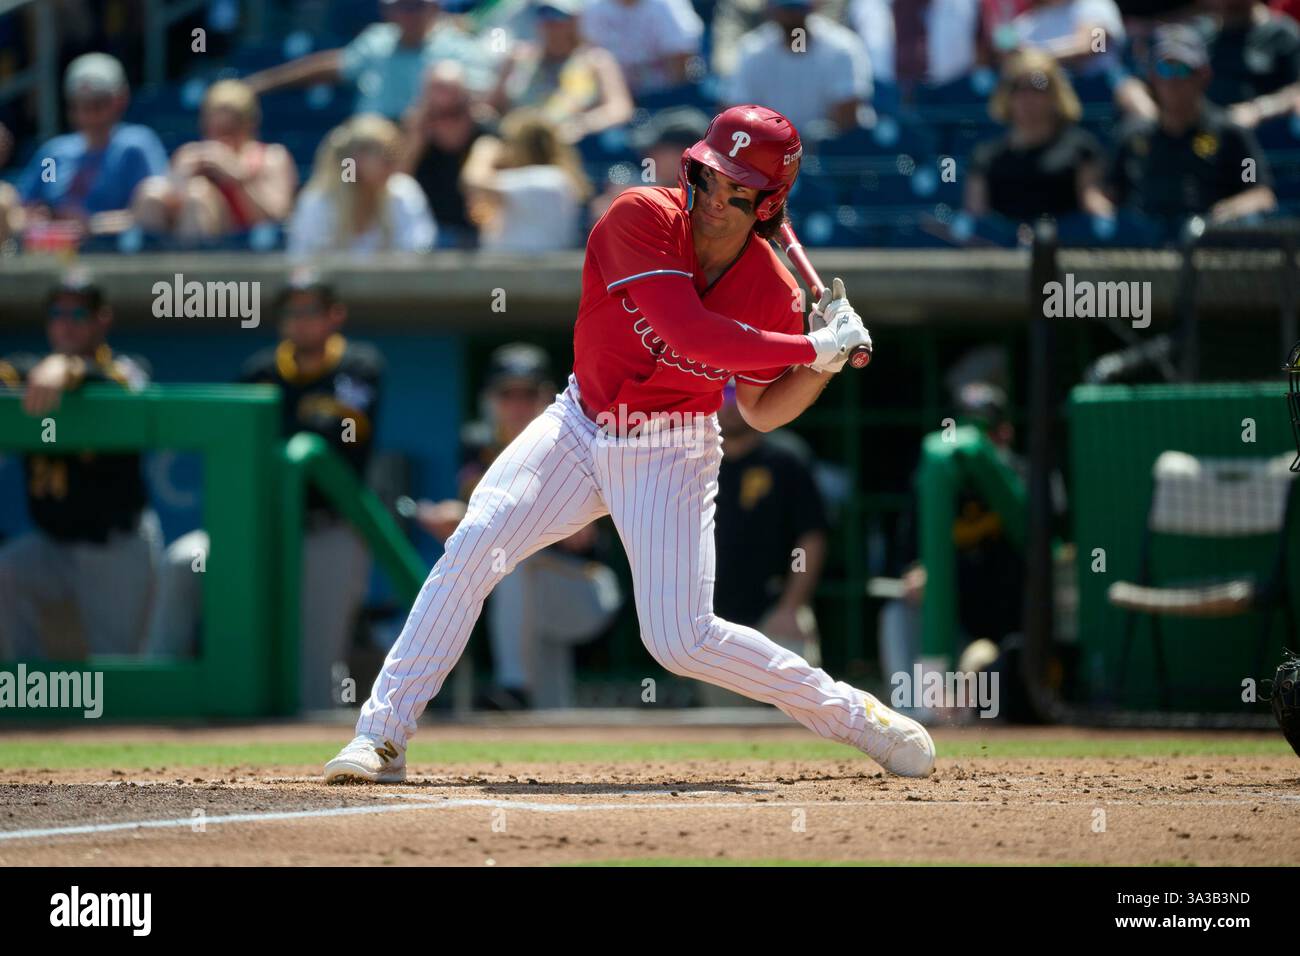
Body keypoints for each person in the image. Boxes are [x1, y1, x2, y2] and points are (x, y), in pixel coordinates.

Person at [324, 104, 934, 784]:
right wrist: (815, 342)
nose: (714, 201)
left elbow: (762, 411)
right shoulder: (638, 215)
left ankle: (858, 718)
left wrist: (818, 368)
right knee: (475, 543)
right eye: (707, 178)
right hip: (581, 421)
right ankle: (381, 736)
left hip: (673, 448)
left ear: (768, 204)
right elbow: (688, 333)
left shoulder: (771, 290)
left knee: (680, 640)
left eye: (737, 193)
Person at [149, 269, 384, 712]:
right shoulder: (258, 372)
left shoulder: (358, 367)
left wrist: (306, 429)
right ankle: (154, 703)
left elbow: (348, 437)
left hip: (327, 528)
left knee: (314, 670)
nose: (299, 320)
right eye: (291, 311)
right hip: (262, 530)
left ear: (335, 315)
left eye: (310, 310)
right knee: (184, 561)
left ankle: (315, 764)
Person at [407, 344, 622, 709]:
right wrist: (456, 519)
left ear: (548, 398)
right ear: (490, 399)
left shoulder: (573, 438)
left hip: (587, 589)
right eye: (507, 394)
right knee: (550, 705)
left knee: (509, 559)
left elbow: (579, 535)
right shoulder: (478, 445)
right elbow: (490, 512)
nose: (518, 406)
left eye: (528, 394)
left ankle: (512, 685)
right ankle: (534, 715)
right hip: (534, 596)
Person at [0, 271, 161, 659]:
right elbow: (11, 375)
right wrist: (50, 369)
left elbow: (123, 385)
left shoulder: (127, 368)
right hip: (51, 545)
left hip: (115, 545)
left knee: (118, 671)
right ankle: (21, 699)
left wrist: (69, 368)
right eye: (57, 313)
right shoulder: (30, 372)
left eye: (78, 314)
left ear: (101, 320)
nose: (66, 323)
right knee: (6, 571)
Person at [698, 381, 829, 705]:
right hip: (713, 622)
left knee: (801, 707)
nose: (728, 402)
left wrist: (790, 606)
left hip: (777, 610)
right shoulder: (693, 458)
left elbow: (811, 536)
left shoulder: (786, 458)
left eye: (736, 392)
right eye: (721, 393)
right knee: (725, 727)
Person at [1110, 24, 1277, 232]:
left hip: (1212, 245)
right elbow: (1109, 191)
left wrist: (1229, 211)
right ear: (1152, 77)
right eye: (1164, 69)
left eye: (1182, 69)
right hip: (1145, 250)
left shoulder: (1231, 134)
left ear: (1203, 75)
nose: (1173, 80)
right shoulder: (1133, 135)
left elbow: (1259, 193)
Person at [244, 0, 496, 120]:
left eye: (415, 6)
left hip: (428, 140)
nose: (407, 13)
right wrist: (257, 84)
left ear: (433, 8)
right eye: (400, 6)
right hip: (370, 140)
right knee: (343, 160)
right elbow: (331, 67)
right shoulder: (377, 39)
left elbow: (482, 102)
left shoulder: (459, 49)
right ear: (388, 10)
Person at [17, 53, 168, 242]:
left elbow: (155, 209)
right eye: (78, 105)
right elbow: (23, 209)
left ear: (120, 100)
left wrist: (91, 225)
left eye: (97, 104)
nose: (87, 115)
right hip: (53, 254)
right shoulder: (53, 153)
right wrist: (40, 219)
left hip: (116, 255)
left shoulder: (135, 145)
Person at [131, 80, 298, 240]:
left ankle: (191, 268)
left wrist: (236, 178)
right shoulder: (190, 154)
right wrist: (182, 175)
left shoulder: (271, 157)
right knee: (150, 192)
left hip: (240, 245)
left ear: (250, 124)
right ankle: (149, 268)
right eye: (214, 129)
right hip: (183, 233)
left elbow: (278, 218)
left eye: (230, 129)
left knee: (198, 194)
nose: (220, 139)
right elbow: (167, 205)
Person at [965, 49, 1112, 222]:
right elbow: (976, 219)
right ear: (1006, 96)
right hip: (1003, 249)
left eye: (1038, 86)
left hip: (1064, 246)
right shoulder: (986, 156)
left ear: (1055, 94)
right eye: (1018, 87)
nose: (1027, 97)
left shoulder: (1081, 148)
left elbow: (1093, 202)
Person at [288, 114, 437, 255]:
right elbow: (302, 259)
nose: (393, 164)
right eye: (386, 156)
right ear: (357, 159)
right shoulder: (318, 201)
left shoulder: (403, 192)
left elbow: (418, 249)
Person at [488, 0, 634, 143]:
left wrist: (581, 125)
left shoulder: (596, 61)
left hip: (573, 148)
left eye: (557, 15)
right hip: (518, 143)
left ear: (574, 21)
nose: (550, 23)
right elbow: (492, 106)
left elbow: (620, 109)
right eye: (543, 14)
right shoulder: (517, 58)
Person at [725, 0, 873, 137]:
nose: (792, 16)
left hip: (830, 155)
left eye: (797, 8)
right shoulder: (752, 50)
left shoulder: (842, 48)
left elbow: (848, 118)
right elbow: (740, 115)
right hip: (771, 154)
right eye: (787, 9)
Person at [460, 108, 591, 252]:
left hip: (536, 270)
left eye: (508, 141)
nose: (504, 148)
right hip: (513, 269)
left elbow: (474, 180)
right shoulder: (543, 178)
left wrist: (482, 152)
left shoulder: (549, 178)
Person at [401, 62, 492, 249]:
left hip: (483, 236)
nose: (445, 124)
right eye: (437, 114)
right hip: (426, 237)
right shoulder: (408, 135)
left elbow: (477, 185)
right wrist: (416, 141)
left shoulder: (489, 134)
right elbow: (394, 186)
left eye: (454, 113)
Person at [850, 0, 985, 93]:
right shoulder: (862, 4)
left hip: (954, 92)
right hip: (883, 92)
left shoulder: (968, 3)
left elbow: (984, 49)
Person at [1204, 0, 1300, 128]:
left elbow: (1296, 90)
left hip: (1267, 134)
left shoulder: (1283, 33)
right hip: (1212, 135)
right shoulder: (1203, 35)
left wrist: (1259, 110)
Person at [579, 0, 705, 96]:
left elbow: (682, 56)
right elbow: (588, 54)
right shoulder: (593, 8)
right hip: (612, 95)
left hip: (663, 95)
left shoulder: (666, 5)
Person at [1005, 0, 1126, 76]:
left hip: (1101, 86)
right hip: (1043, 88)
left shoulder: (1098, 5)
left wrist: (1036, 55)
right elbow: (1009, 54)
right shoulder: (1023, 23)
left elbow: (1092, 47)